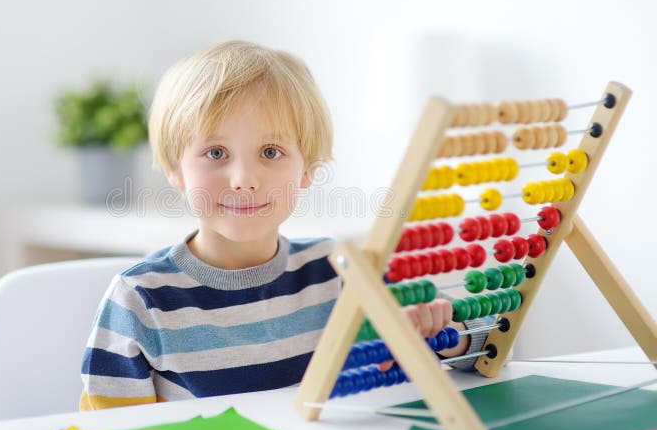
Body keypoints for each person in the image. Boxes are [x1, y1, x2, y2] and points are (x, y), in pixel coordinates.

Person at [80, 40, 486, 410]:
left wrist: (449, 336)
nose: (244, 178)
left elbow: (477, 348)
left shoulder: (337, 270)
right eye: (216, 152)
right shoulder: (139, 300)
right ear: (174, 170)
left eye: (270, 151)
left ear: (307, 169)